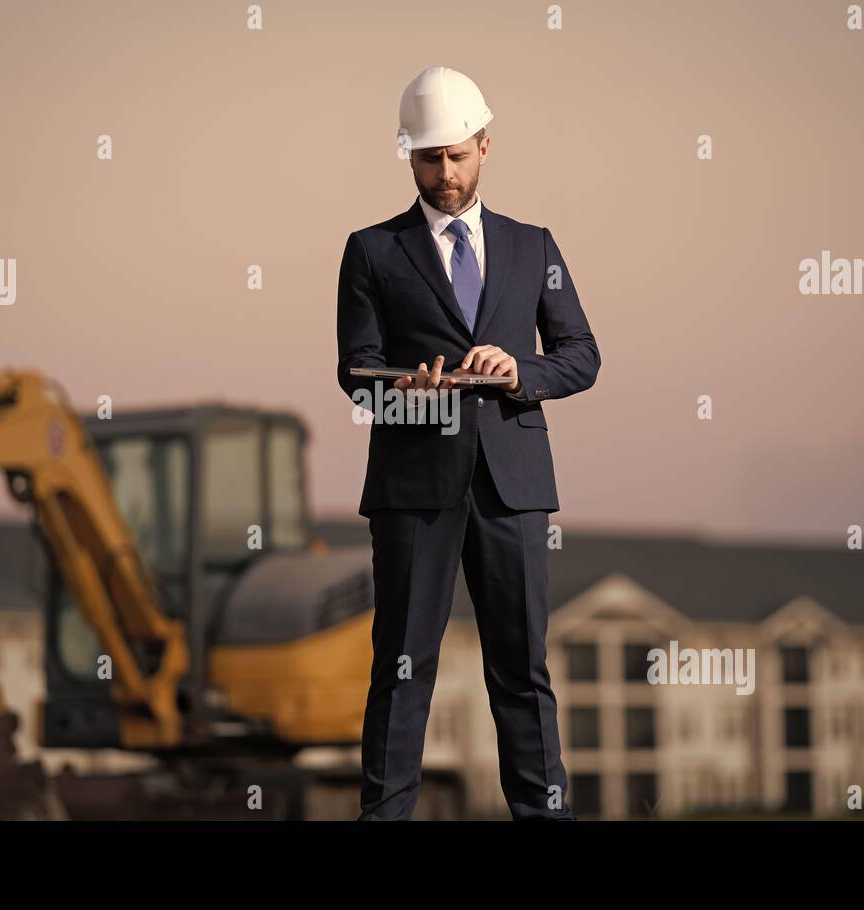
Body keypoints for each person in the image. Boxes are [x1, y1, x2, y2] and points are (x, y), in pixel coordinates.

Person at [336, 66, 600, 820]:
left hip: (512, 486)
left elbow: (581, 354)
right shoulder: (371, 251)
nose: (444, 174)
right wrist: (405, 396)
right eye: (429, 159)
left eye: (456, 155)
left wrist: (521, 371)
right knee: (401, 667)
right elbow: (357, 376)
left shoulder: (532, 246)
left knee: (522, 671)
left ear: (485, 146)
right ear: (408, 158)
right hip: (413, 491)